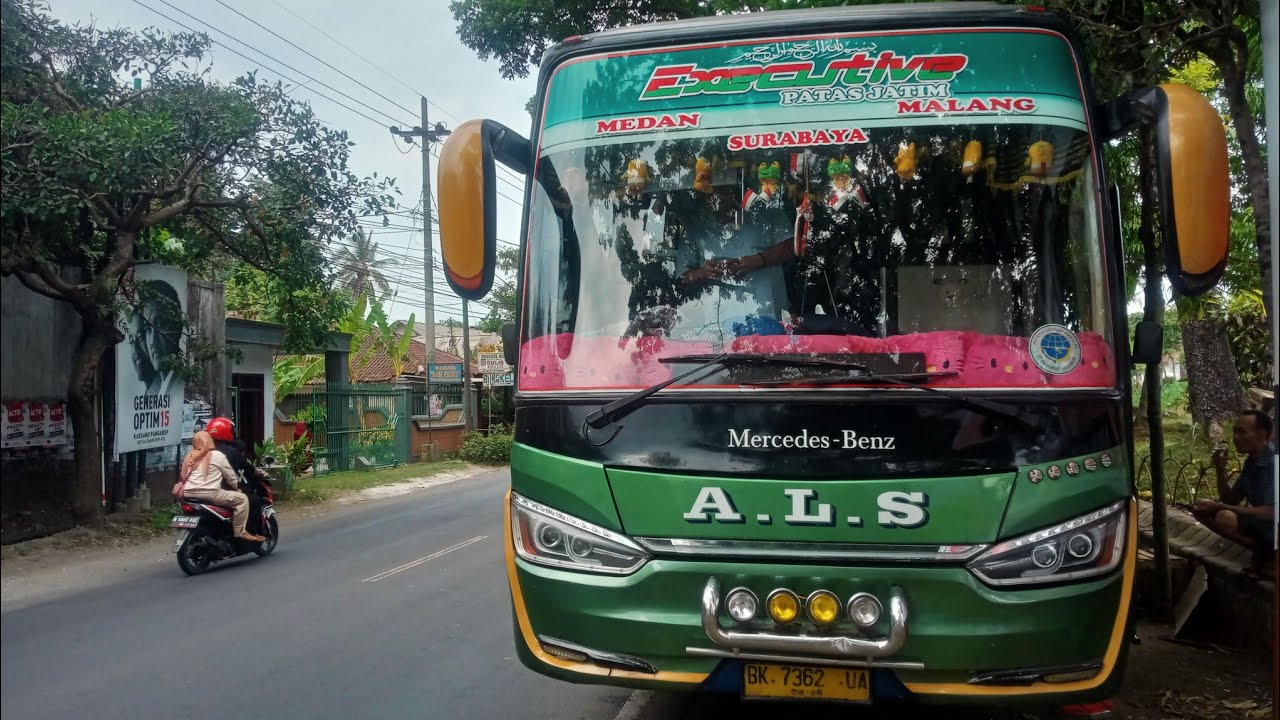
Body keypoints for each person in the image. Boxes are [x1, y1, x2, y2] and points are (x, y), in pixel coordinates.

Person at [1191, 409, 1276, 577]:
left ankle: (1269, 558)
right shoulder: (1251, 462)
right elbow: (1231, 500)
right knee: (1202, 508)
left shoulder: (1273, 463)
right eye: (1234, 432)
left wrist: (1218, 506)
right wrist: (1220, 470)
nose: (1235, 437)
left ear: (1262, 434)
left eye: (1241, 432)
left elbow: (1272, 511)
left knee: (1225, 517)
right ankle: (1265, 555)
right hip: (1266, 525)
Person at [176, 430, 265, 543]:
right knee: (242, 500)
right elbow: (231, 476)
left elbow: (183, 476)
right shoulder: (217, 455)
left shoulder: (189, 456)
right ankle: (240, 532)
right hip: (210, 494)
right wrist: (236, 488)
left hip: (188, 494)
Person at [206, 416, 269, 536]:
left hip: (196, 491)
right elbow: (238, 474)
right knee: (254, 501)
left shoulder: (203, 450)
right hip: (219, 492)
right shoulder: (230, 453)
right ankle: (245, 534)